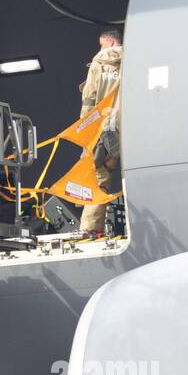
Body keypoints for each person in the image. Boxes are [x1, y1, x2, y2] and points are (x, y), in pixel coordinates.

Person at [78, 28, 123, 237]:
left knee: (100, 175)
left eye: (102, 44)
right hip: (127, 126)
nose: (100, 48)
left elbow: (89, 98)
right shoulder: (133, 61)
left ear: (112, 42)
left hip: (104, 127)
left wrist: (84, 132)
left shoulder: (97, 64)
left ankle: (91, 228)